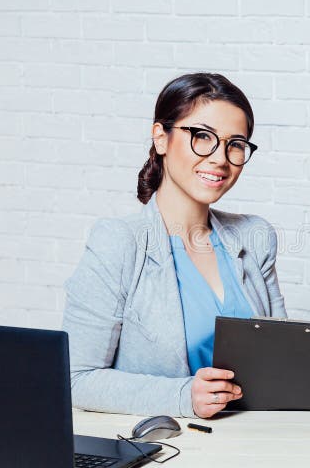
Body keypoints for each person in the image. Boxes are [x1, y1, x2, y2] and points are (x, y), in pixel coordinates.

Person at [62, 73, 286, 419]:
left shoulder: (254, 237)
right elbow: (76, 378)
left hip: (254, 440)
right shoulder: (119, 242)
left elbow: (282, 361)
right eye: (202, 136)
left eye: (235, 144)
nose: (220, 158)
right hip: (169, 444)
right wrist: (184, 396)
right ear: (161, 138)